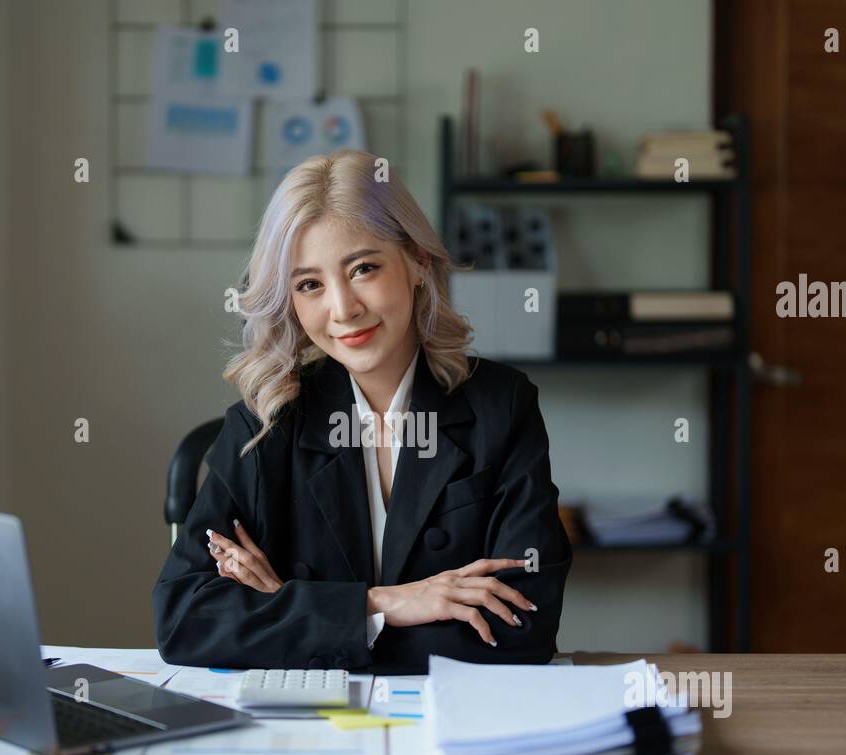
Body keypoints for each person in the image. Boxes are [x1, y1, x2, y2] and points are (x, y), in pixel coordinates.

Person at [152, 149, 572, 674]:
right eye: (309, 284)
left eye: (364, 269)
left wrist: (293, 609)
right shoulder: (264, 425)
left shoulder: (502, 407)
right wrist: (383, 605)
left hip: (446, 729)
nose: (343, 308)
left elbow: (520, 632)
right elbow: (185, 620)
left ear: (418, 261)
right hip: (303, 735)